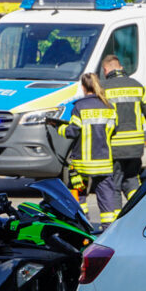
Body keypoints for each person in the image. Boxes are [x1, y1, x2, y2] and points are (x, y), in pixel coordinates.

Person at [51, 73, 118, 227]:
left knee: (78, 193)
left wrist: (58, 127)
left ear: (83, 87)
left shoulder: (79, 107)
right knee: (106, 195)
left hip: (82, 163)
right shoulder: (109, 106)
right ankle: (108, 228)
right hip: (104, 161)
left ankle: (83, 225)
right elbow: (114, 130)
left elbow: (72, 132)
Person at [101, 55, 146, 217]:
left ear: (106, 70)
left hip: (114, 147)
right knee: (131, 180)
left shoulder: (103, 89)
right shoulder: (137, 86)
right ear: (120, 67)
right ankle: (139, 214)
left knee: (114, 184)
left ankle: (115, 222)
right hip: (135, 147)